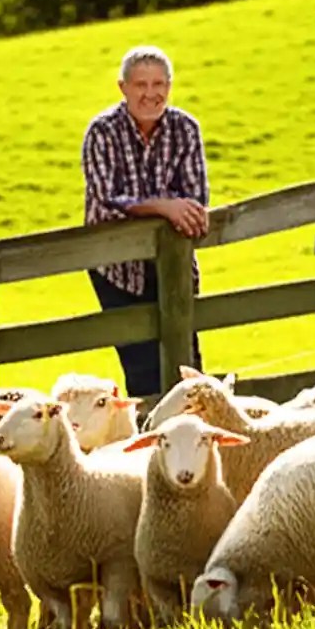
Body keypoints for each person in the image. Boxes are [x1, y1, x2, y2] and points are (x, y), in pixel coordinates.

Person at [80, 45, 208, 398]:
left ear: (169, 85)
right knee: (141, 367)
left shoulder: (185, 129)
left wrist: (179, 210)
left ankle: (193, 442)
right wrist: (165, 208)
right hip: (117, 267)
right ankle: (150, 444)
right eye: (140, 85)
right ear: (123, 88)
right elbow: (108, 200)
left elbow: (196, 199)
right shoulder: (102, 132)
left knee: (188, 365)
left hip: (174, 264)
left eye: (158, 84)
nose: (150, 94)